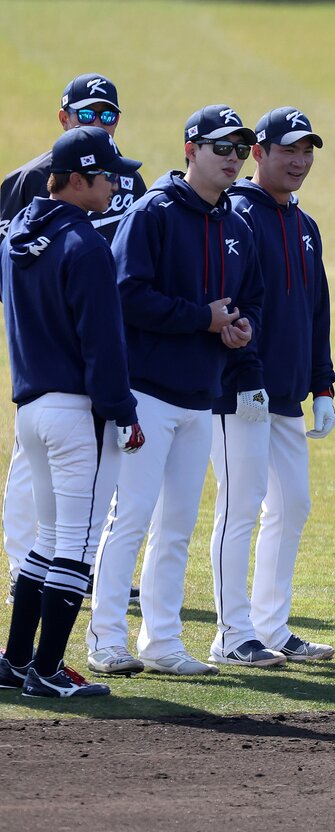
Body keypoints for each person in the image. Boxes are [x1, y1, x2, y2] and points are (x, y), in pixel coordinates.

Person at [86, 104, 264, 676]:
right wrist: (201, 319)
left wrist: (241, 328)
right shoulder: (153, 212)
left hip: (200, 397)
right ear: (191, 150)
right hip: (146, 394)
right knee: (130, 517)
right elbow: (125, 294)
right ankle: (106, 639)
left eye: (240, 149)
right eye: (221, 147)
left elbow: (251, 300)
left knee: (176, 527)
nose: (233, 159)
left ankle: (161, 642)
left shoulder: (237, 226)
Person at [0, 127, 146, 698]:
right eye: (108, 176)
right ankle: (49, 670)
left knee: (47, 538)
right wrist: (123, 410)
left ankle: (16, 660)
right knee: (78, 546)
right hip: (78, 414)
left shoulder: (17, 235)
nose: (116, 185)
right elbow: (102, 343)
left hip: (32, 411)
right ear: (79, 180)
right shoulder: (85, 244)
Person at [206, 107, 335, 668]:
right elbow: (231, 307)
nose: (300, 161)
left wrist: (322, 385)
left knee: (292, 506)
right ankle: (231, 634)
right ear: (258, 153)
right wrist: (247, 376)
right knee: (240, 507)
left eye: (307, 151)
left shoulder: (304, 225)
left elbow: (316, 311)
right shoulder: (237, 216)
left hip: (286, 395)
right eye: (288, 150)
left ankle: (271, 627)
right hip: (239, 390)